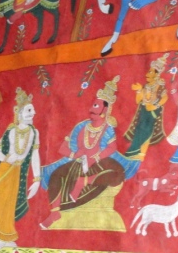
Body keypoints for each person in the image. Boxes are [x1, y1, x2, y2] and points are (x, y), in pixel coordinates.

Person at [38, 77, 127, 229]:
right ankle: (54, 212)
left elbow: (111, 148)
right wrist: (74, 155)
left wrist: (98, 155)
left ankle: (85, 181)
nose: (91, 109)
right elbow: (62, 148)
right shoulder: (81, 126)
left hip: (100, 163)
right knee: (55, 175)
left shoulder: (108, 129)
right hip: (78, 163)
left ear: (104, 111)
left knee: (119, 172)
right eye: (93, 104)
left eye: (96, 105)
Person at [0, 88, 41, 249]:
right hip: (4, 169)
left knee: (10, 203)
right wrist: (8, 158)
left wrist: (37, 179)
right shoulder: (10, 131)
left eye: (33, 110)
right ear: (19, 113)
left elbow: (34, 154)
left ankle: (4, 237)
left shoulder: (34, 132)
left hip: (18, 172)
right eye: (29, 110)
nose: (33, 113)